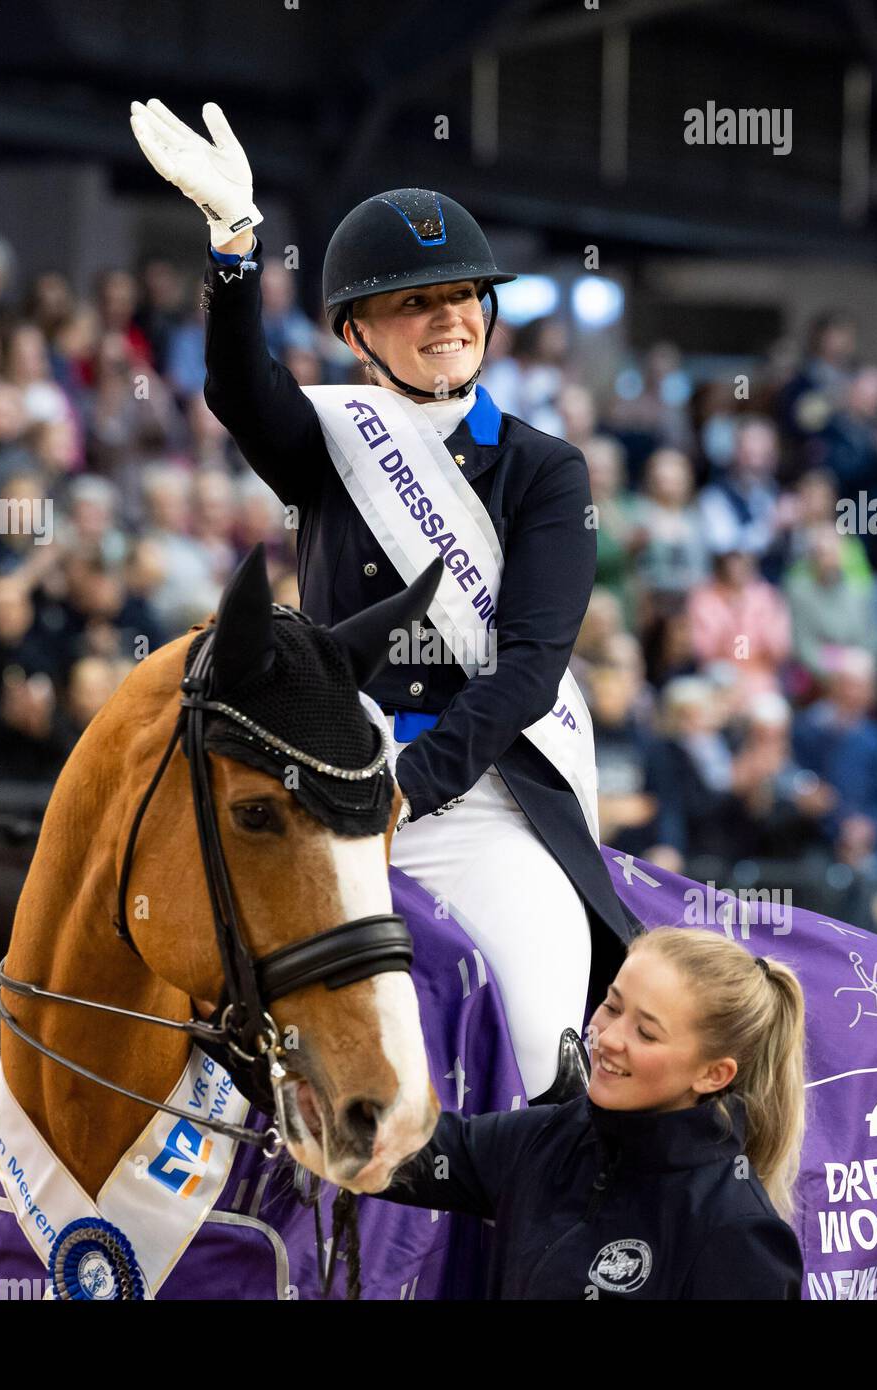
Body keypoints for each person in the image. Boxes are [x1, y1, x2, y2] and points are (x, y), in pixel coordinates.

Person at [130, 97, 640, 1102]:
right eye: (416, 302)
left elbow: (529, 667)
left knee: (545, 1039)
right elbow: (240, 390)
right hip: (323, 784)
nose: (448, 317)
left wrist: (413, 783)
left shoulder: (545, 470)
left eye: (462, 296)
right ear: (358, 332)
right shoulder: (330, 441)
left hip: (479, 797)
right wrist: (234, 245)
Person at [373, 927, 806, 1300]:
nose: (608, 1037)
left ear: (713, 1074)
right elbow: (391, 1146)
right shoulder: (549, 1138)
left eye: (646, 1033)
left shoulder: (737, 1235)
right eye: (612, 1006)